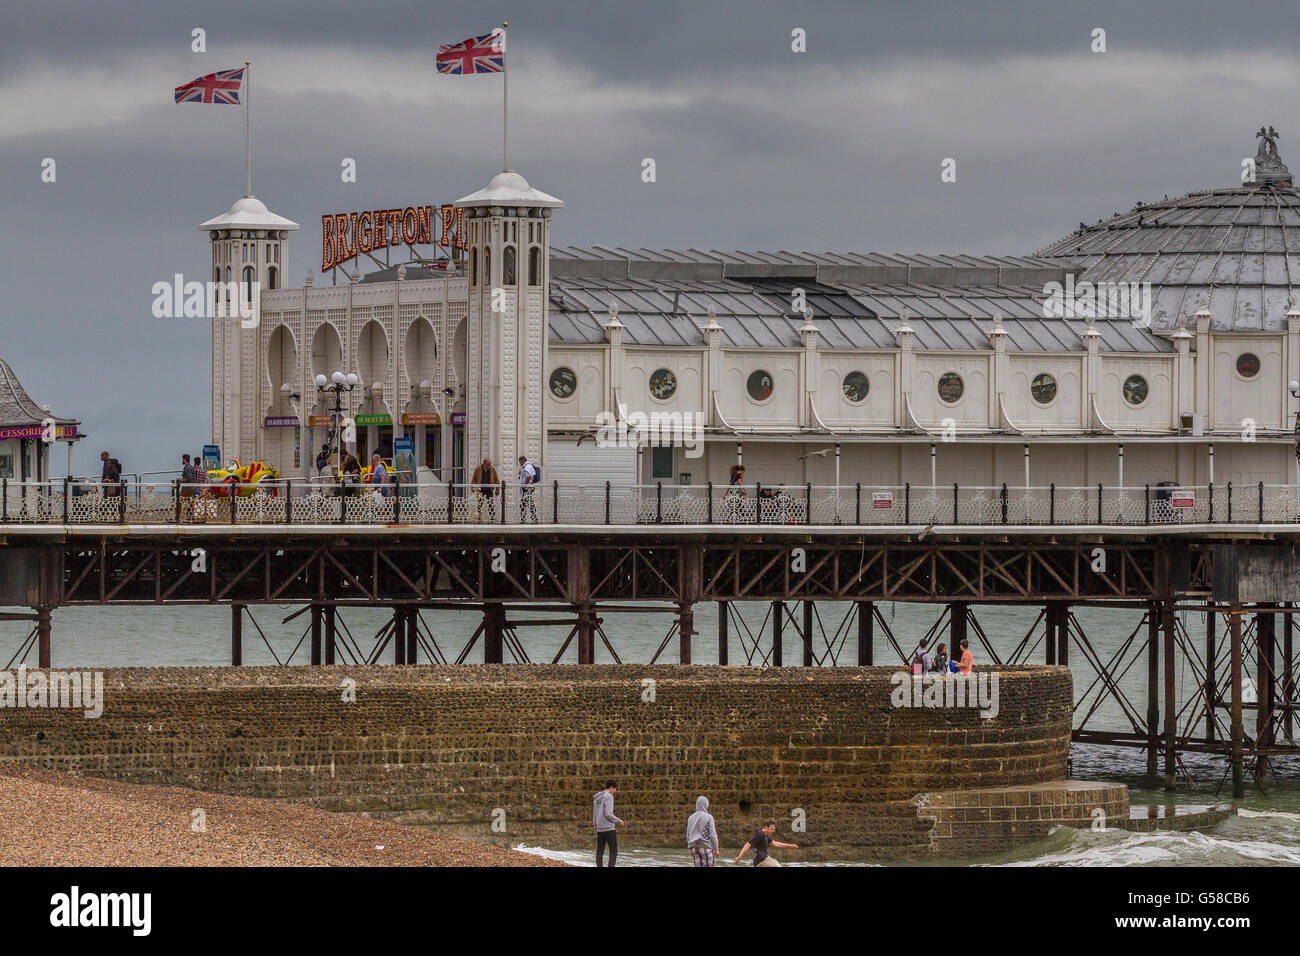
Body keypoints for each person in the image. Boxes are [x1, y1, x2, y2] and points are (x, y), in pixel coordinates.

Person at [592, 779, 625, 868]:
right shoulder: (609, 797)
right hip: (609, 828)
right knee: (613, 850)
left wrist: (596, 826)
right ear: (611, 787)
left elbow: (595, 814)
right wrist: (618, 821)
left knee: (600, 850)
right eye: (615, 789)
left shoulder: (596, 798)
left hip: (599, 828)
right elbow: (608, 814)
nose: (615, 791)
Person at [686, 795, 721, 867]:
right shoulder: (709, 817)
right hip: (706, 848)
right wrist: (716, 848)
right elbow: (712, 834)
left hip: (695, 849)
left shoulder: (690, 818)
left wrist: (691, 847)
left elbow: (688, 835)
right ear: (706, 805)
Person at [471, 457, 499, 522]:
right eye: (488, 464)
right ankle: (478, 518)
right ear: (484, 464)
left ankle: (492, 519)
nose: (489, 466)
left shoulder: (492, 469)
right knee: (479, 505)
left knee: (491, 505)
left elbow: (496, 479)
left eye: (490, 464)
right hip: (480, 490)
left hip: (489, 490)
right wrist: (473, 488)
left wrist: (497, 489)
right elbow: (474, 479)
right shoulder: (478, 469)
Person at [518, 455, 539, 523]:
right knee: (527, 503)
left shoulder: (527, 467)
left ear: (522, 461)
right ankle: (528, 518)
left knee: (527, 503)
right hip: (529, 487)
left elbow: (528, 477)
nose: (520, 464)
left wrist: (525, 485)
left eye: (520, 462)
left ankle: (530, 519)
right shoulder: (528, 466)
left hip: (527, 488)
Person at [179, 454, 196, 519]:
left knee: (179, 500)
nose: (182, 460)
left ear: (184, 459)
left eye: (182, 459)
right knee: (190, 503)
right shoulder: (191, 467)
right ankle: (191, 516)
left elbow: (189, 478)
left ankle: (179, 515)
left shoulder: (187, 467)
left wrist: (181, 480)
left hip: (187, 488)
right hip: (192, 488)